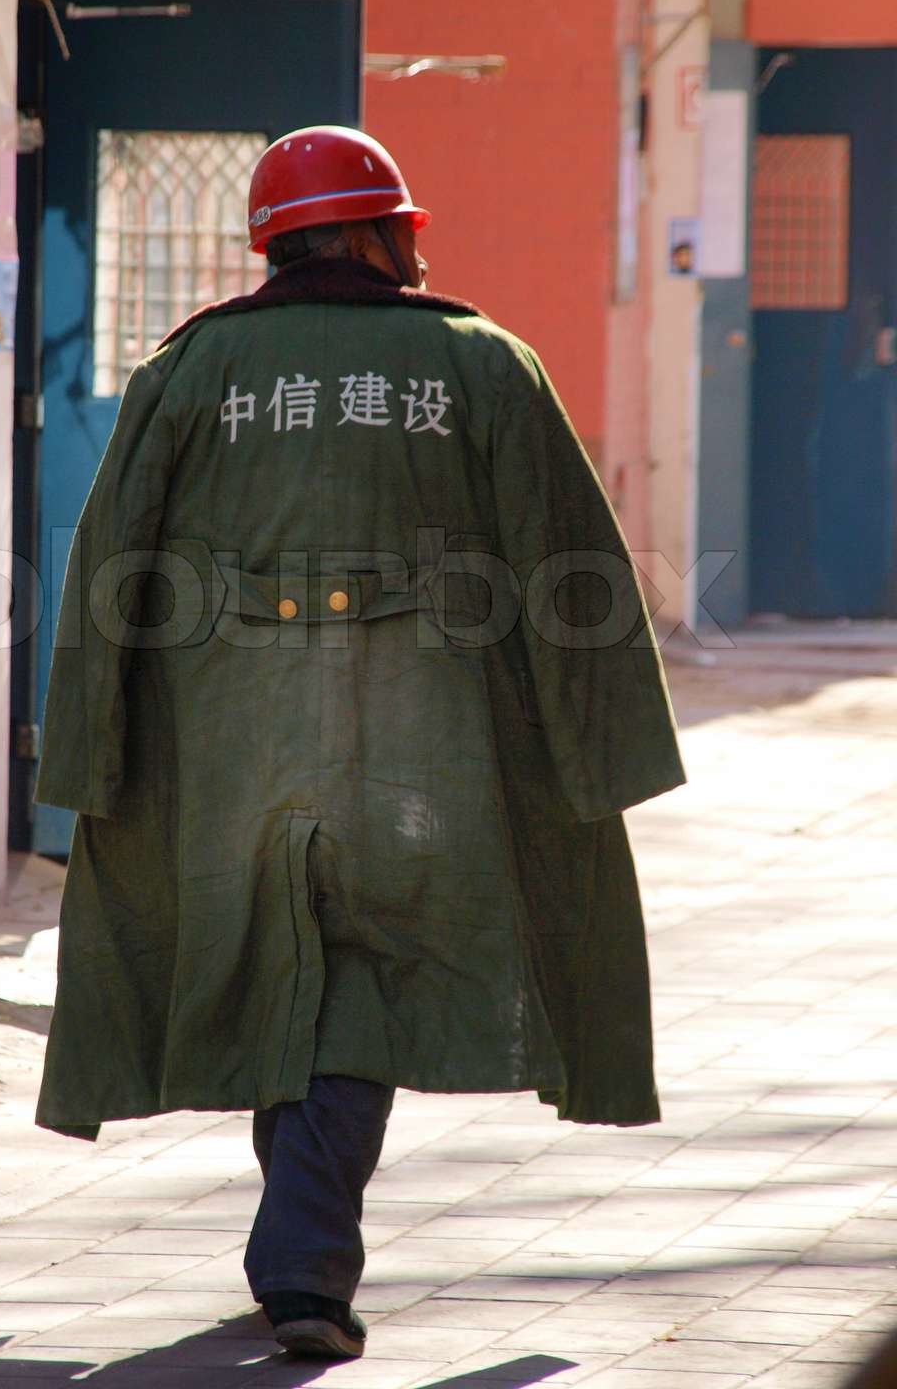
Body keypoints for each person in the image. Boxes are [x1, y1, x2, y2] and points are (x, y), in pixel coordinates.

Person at [34, 124, 686, 1360]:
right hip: (428, 764)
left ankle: (299, 1244)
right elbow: (571, 574)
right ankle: (303, 1264)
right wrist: (600, 752)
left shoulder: (190, 371)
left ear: (272, 245)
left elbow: (108, 564)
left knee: (297, 971)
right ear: (388, 235)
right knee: (358, 986)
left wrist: (88, 753)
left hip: (229, 754)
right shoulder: (483, 366)